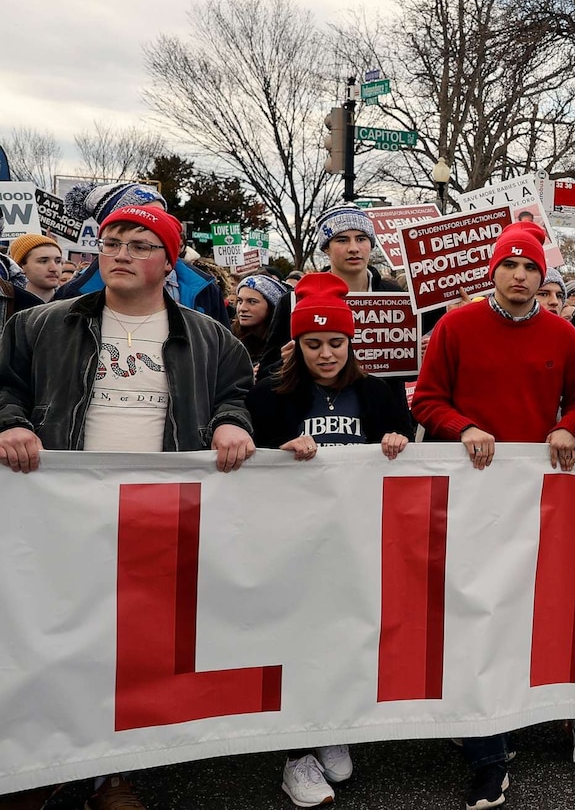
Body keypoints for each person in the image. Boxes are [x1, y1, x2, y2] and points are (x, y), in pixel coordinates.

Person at [0, 203, 255, 810]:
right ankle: (41, 763)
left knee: (136, 644)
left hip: (160, 513)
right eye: (112, 240)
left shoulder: (208, 335)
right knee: (56, 635)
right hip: (64, 510)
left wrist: (228, 423)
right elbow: (5, 385)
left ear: (168, 263)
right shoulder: (41, 325)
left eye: (140, 244)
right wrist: (10, 422)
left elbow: (236, 394)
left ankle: (114, 770)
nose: (120, 252)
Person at [409, 220, 575, 810]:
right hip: (469, 495)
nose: (519, 276)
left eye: (530, 267)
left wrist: (566, 425)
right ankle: (488, 753)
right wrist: (463, 427)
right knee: (473, 609)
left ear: (543, 276)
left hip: (535, 499)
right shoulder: (456, 327)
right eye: (510, 265)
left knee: (523, 610)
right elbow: (426, 398)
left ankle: (499, 721)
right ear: (493, 270)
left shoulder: (563, 335)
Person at [243, 272, 411, 807]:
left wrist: (397, 438)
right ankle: (297, 755)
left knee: (347, 635)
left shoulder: (377, 392)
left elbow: (407, 435)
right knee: (298, 640)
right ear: (296, 345)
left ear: (350, 342)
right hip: (293, 542)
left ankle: (331, 728)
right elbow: (243, 446)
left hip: (358, 540)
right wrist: (276, 449)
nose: (326, 353)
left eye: (335, 343)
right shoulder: (270, 393)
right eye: (313, 344)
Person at [54, 183, 229, 326]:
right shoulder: (73, 295)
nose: (123, 256)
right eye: (113, 244)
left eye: (162, 216)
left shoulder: (204, 288)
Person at [231, 273, 290, 371]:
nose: (242, 308)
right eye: (240, 301)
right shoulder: (230, 338)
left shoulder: (285, 343)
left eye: (252, 302)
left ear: (271, 305)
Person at [9, 234, 63, 302]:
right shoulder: (7, 306)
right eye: (43, 261)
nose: (54, 268)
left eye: (58, 261)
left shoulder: (74, 303)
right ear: (20, 266)